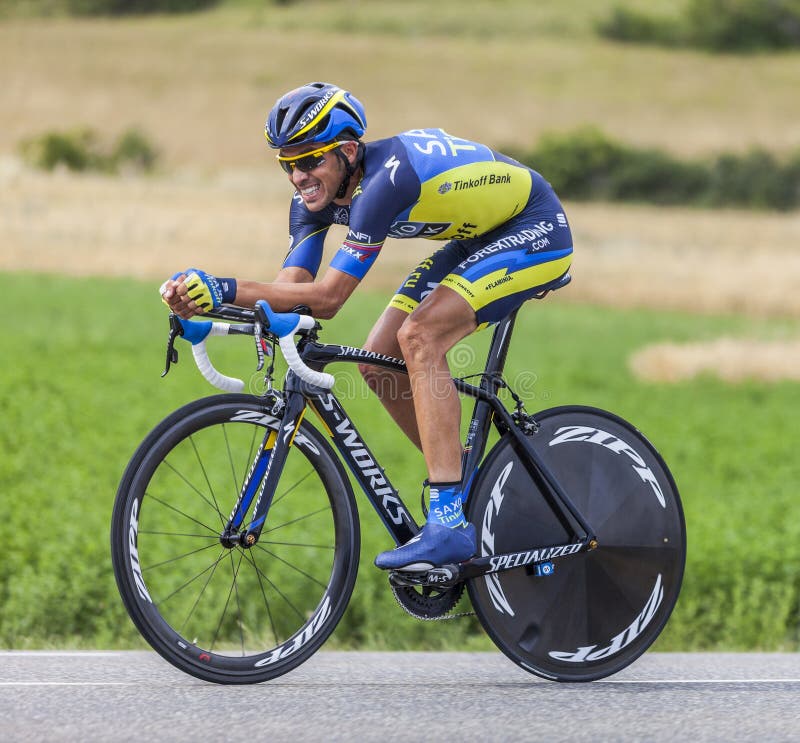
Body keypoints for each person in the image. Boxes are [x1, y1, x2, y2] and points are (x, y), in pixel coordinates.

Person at [161, 82, 573, 572]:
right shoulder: (314, 199)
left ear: (349, 151)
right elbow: (291, 288)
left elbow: (329, 299)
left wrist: (225, 288)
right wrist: (206, 306)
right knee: (377, 361)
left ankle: (447, 521)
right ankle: (468, 485)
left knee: (420, 337)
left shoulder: (383, 183)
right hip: (477, 238)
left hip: (533, 227)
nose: (299, 177)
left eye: (311, 160)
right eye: (287, 164)